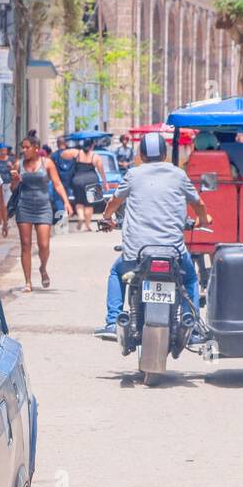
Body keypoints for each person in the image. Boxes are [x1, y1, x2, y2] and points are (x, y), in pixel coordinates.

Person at [96, 132, 211, 341]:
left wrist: (106, 217)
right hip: (173, 253)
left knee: (116, 272)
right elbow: (198, 204)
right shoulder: (178, 174)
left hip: (137, 253)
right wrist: (203, 220)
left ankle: (112, 323)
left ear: (141, 155)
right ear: (165, 154)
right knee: (190, 278)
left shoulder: (133, 174)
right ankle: (192, 326)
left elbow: (114, 201)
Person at [12, 136, 73, 292]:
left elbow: (57, 184)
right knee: (25, 244)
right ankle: (28, 282)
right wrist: (15, 180)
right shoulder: (19, 164)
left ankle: (43, 267)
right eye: (22, 147)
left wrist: (66, 202)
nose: (24, 150)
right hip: (24, 206)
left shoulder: (47, 163)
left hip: (43, 207)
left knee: (44, 245)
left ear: (36, 148)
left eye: (27, 147)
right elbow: (13, 188)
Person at [58, 138, 108, 232]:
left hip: (78, 180)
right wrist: (105, 183)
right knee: (90, 204)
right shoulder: (95, 156)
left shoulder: (76, 153)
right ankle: (87, 226)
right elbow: (101, 170)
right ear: (92, 146)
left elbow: (62, 154)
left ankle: (81, 216)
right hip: (92, 180)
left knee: (79, 202)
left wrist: (74, 151)